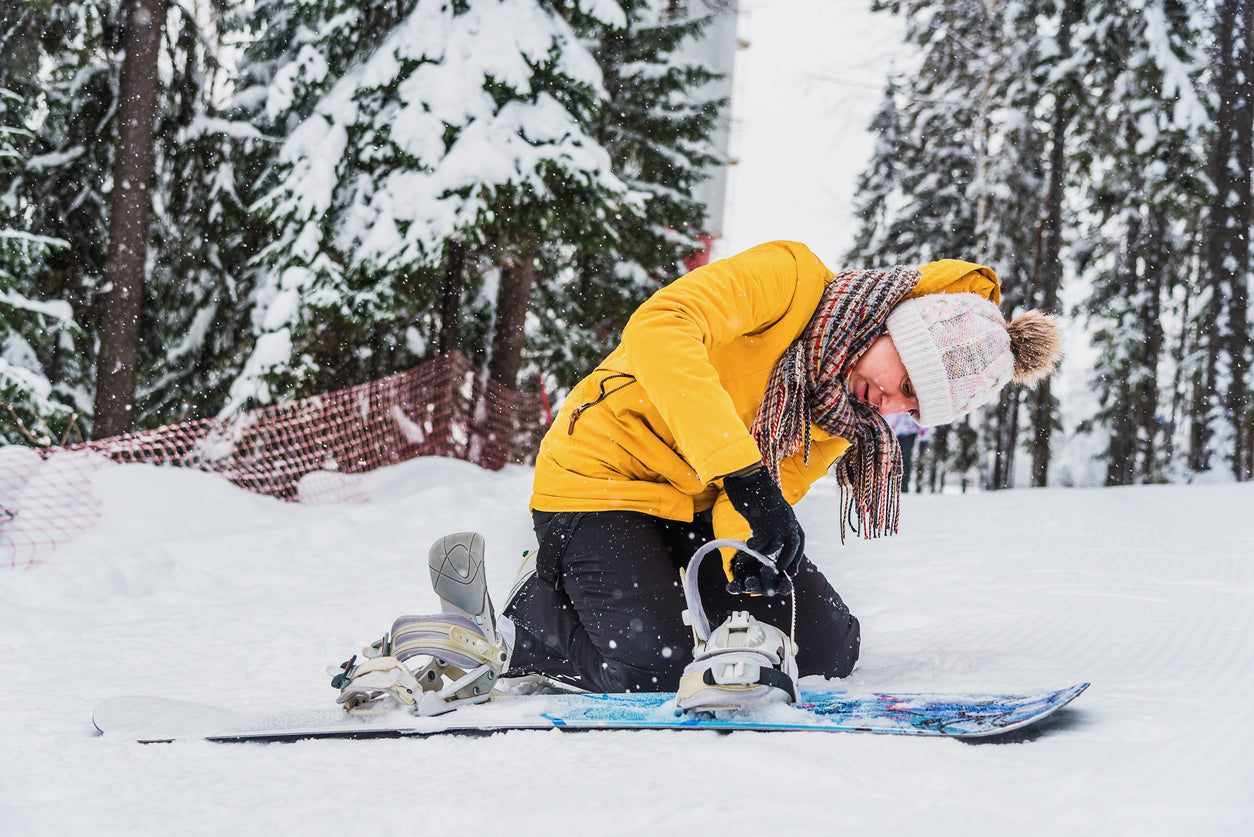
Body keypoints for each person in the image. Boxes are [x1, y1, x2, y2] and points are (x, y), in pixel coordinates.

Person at [331, 241, 1062, 716]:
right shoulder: (791, 279)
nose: (893, 409)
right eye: (905, 383)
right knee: (648, 667)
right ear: (893, 328)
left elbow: (763, 499)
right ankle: (522, 624)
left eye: (913, 409)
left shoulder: (842, 408)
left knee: (827, 645)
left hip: (695, 510)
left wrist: (751, 567)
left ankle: (619, 597)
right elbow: (660, 328)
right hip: (602, 475)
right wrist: (744, 474)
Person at [886, 413, 922, 492]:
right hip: (896, 432)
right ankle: (891, 485)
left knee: (905, 459)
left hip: (909, 432)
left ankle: (903, 486)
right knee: (893, 459)